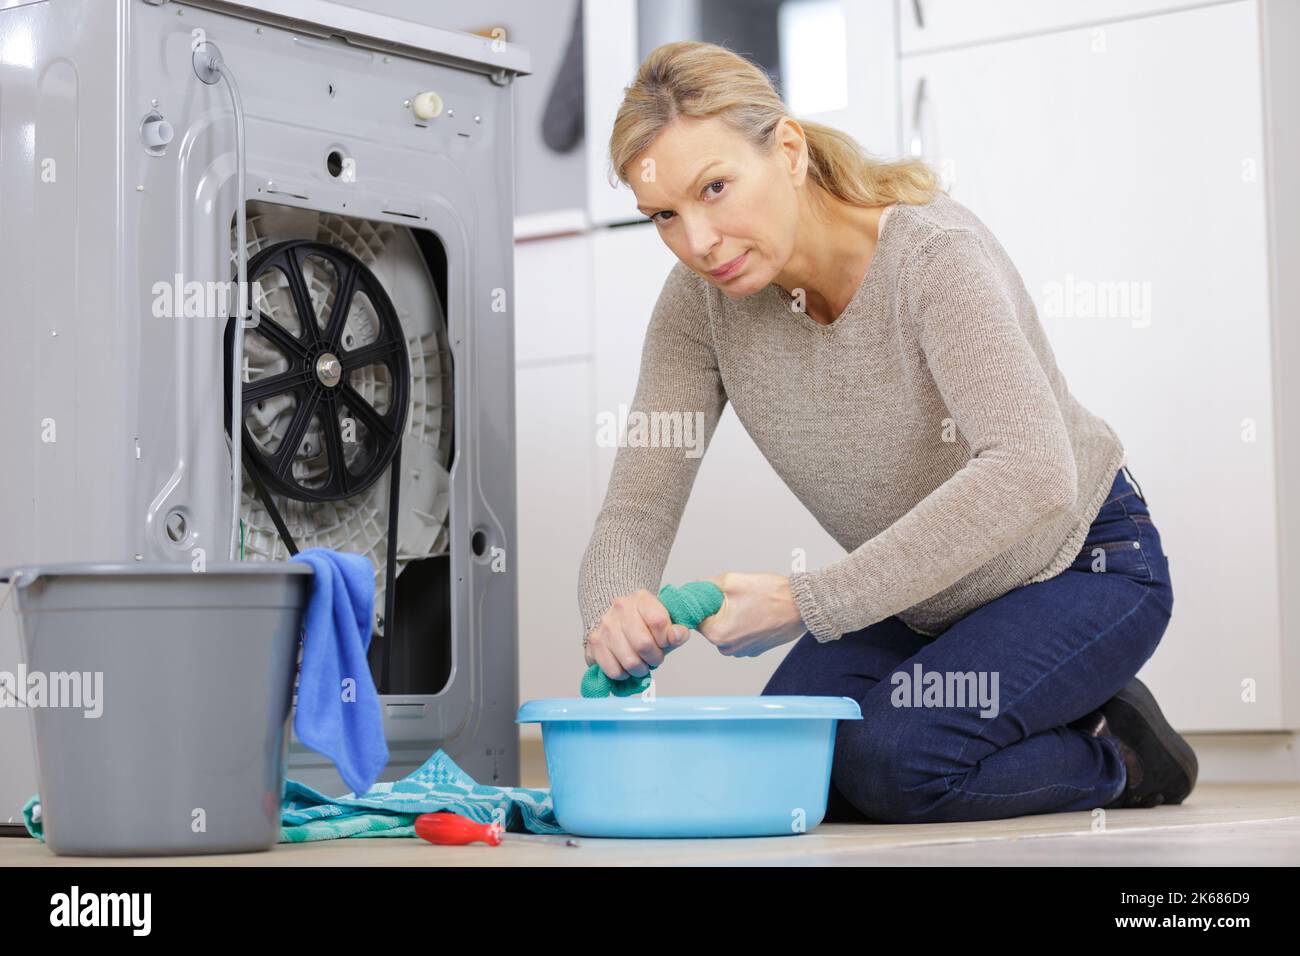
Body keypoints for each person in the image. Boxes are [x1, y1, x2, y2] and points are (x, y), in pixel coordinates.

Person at [576, 40, 1196, 822]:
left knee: (893, 768)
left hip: (1081, 565)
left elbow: (1034, 471)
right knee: (784, 768)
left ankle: (1115, 748)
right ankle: (1029, 703)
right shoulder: (697, 305)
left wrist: (807, 601)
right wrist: (612, 612)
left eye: (716, 188)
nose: (697, 242)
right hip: (922, 596)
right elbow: (638, 507)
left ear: (790, 152)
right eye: (665, 214)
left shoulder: (934, 258)